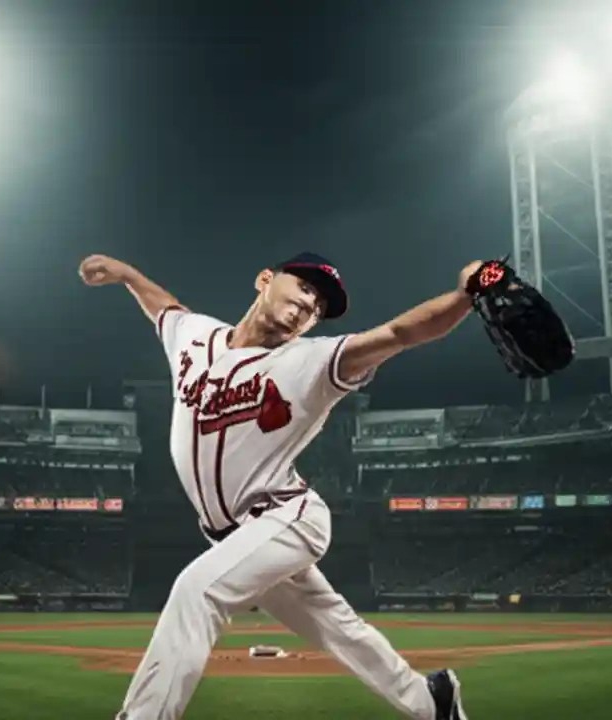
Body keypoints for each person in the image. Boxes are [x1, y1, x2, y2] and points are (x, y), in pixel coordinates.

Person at [80, 251, 482, 720]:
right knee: (337, 626)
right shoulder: (195, 336)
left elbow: (398, 334)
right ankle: (432, 701)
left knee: (197, 590)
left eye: (319, 308)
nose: (310, 306)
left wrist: (465, 296)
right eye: (306, 288)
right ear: (264, 279)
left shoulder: (312, 361)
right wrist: (127, 274)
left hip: (287, 518)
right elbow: (165, 309)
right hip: (236, 535)